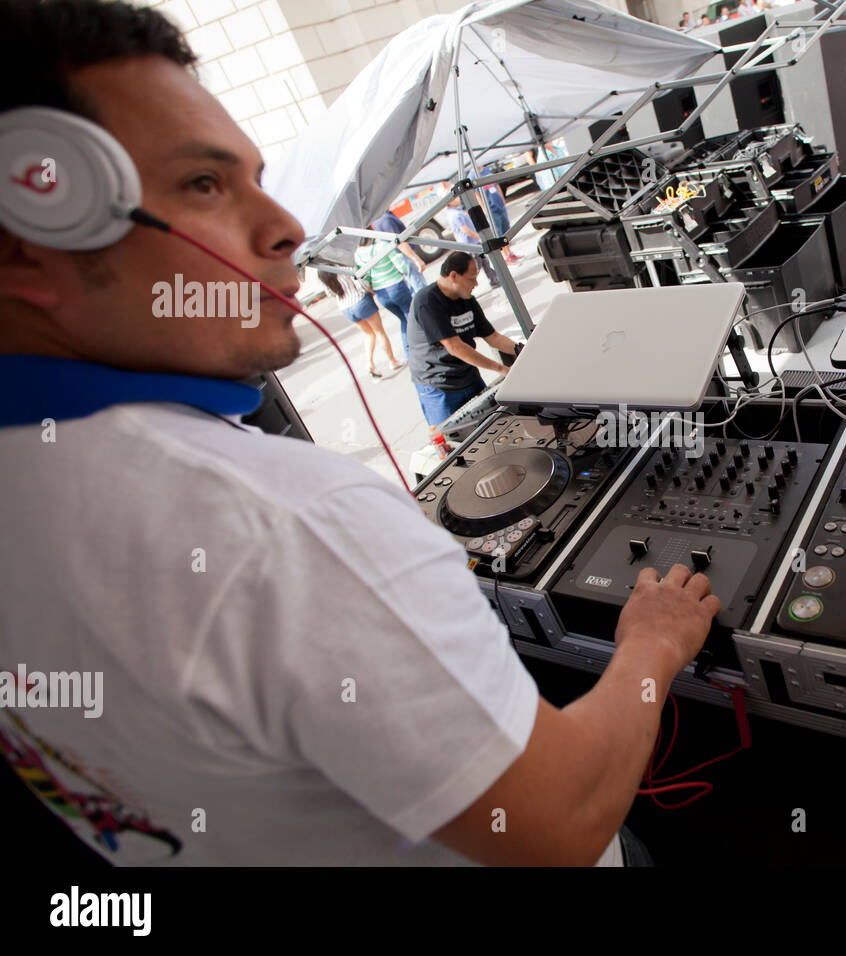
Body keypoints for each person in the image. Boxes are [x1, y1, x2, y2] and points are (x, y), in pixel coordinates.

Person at [0, 0, 721, 867]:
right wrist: (654, 642)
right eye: (203, 184)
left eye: (260, 177)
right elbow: (560, 824)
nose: (287, 229)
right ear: (28, 250)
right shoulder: (292, 529)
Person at [408, 252, 518, 433]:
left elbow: (493, 337)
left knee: (493, 426)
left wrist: (523, 349)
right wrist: (500, 368)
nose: (476, 284)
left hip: (468, 375)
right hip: (439, 384)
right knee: (453, 438)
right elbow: (455, 347)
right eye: (472, 279)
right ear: (453, 276)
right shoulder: (427, 301)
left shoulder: (467, 300)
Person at [318, 270, 404, 379]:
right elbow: (360, 283)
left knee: (369, 334)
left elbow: (330, 293)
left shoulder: (321, 274)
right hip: (360, 301)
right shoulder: (340, 267)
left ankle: (370, 363)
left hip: (345, 307)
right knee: (379, 332)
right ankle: (392, 361)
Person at [354, 236, 414, 355]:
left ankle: (408, 352)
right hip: (397, 286)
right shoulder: (382, 245)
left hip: (381, 294)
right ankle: (422, 347)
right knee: (412, 318)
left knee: (404, 320)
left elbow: (365, 277)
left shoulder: (358, 254)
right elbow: (401, 265)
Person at [446, 194, 501, 288]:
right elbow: (465, 229)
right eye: (455, 198)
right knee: (476, 266)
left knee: (484, 262)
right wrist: (478, 237)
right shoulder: (455, 214)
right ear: (450, 202)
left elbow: (456, 232)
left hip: (471, 243)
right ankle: (463, 286)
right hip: (470, 244)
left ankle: (494, 280)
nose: (458, 198)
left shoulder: (456, 212)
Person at [370, 209, 428, 292]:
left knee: (413, 286)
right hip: (405, 255)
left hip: (401, 255)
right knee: (419, 285)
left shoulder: (377, 220)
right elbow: (400, 242)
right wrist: (416, 259)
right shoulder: (386, 220)